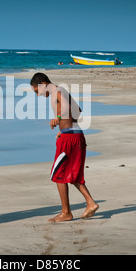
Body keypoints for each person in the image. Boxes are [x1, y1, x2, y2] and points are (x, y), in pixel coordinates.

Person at [30, 73, 99, 223]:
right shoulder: (62, 90)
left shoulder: (56, 92)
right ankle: (91, 203)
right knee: (72, 174)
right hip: (75, 135)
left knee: (58, 174)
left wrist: (59, 119)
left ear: (43, 84)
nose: (38, 95)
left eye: (37, 91)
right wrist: (62, 128)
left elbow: (68, 108)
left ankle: (66, 212)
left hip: (69, 139)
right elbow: (78, 110)